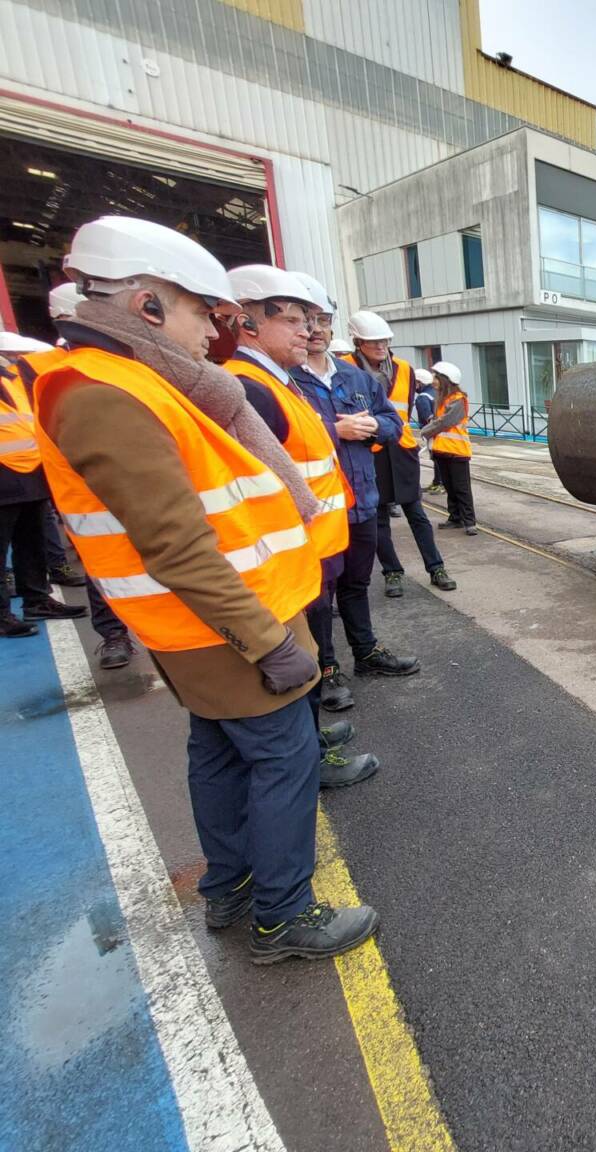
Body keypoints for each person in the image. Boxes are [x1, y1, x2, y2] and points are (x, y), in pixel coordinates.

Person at [33, 216, 376, 962]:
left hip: (211, 625)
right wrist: (268, 641)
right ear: (147, 307)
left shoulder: (133, 383)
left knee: (219, 752)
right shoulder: (105, 395)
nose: (214, 332)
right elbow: (177, 547)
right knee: (285, 762)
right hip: (227, 627)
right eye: (202, 313)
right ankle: (284, 918)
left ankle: (231, 890)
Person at [286, 271, 422, 706]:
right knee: (318, 595)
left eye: (322, 320)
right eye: (307, 321)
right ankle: (325, 666)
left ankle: (365, 651)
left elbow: (392, 421)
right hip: (315, 511)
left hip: (361, 501)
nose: (315, 330)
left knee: (357, 584)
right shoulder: (285, 382)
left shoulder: (356, 379)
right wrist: (334, 429)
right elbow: (278, 437)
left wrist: (370, 428)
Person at [13, 283, 137, 668]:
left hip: (132, 471)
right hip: (82, 483)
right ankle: (114, 633)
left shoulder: (129, 361)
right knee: (105, 560)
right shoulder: (41, 365)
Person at [341, 312, 456, 598]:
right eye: (373, 342)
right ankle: (392, 571)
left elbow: (402, 410)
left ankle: (436, 567)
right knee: (379, 516)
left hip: (402, 449)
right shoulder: (344, 367)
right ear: (358, 341)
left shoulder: (404, 368)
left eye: (384, 341)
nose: (380, 346)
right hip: (369, 451)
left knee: (416, 512)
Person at [0, 330, 88, 636]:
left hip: (30, 472)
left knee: (32, 541)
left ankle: (37, 598)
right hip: (4, 476)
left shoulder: (13, 374)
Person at [419, 362, 476, 535]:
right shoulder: (440, 398)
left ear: (446, 379)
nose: (433, 380)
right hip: (442, 450)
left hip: (457, 451)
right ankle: (455, 518)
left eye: (436, 377)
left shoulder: (458, 399)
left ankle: (469, 522)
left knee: (461, 488)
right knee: (450, 488)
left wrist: (425, 431)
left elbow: (445, 422)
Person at [413, 369, 444, 495]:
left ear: (419, 382)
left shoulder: (422, 398)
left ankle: (439, 483)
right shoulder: (436, 393)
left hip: (433, 434)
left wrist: (427, 434)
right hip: (443, 433)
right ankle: (438, 481)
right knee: (441, 459)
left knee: (436, 458)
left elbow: (429, 419)